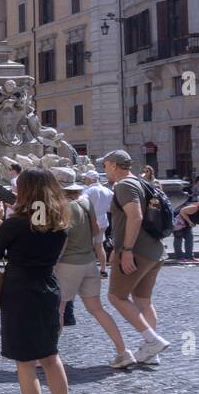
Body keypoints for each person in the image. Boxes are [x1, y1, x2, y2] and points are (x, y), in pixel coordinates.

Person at [0, 168, 75, 394]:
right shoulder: (61, 222)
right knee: (51, 357)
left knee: (25, 363)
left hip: (19, 291)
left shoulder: (15, 224)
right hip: (47, 288)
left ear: (25, 191)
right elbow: (38, 224)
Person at [102, 150, 172, 365]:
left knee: (116, 297)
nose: (103, 169)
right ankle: (151, 353)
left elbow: (135, 216)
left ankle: (152, 340)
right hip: (154, 249)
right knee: (143, 301)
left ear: (113, 165)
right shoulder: (142, 182)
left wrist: (127, 250)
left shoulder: (124, 185)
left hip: (137, 251)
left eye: (104, 165)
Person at [56, 179, 134, 368]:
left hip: (68, 264)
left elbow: (63, 239)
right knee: (97, 309)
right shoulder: (85, 202)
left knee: (57, 309)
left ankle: (47, 356)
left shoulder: (63, 207)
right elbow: (96, 229)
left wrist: (53, 261)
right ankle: (123, 351)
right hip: (89, 262)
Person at [82, 171, 113, 277]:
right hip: (103, 220)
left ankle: (89, 271)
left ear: (90, 179)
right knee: (99, 246)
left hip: (90, 221)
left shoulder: (88, 190)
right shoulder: (107, 191)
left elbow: (82, 202)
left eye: (85, 178)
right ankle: (103, 270)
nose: (85, 180)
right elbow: (111, 208)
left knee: (88, 247)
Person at [172, 198, 199, 262]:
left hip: (188, 226)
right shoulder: (195, 208)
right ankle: (179, 257)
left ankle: (189, 257)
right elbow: (182, 211)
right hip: (179, 224)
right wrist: (189, 222)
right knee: (178, 240)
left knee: (189, 239)